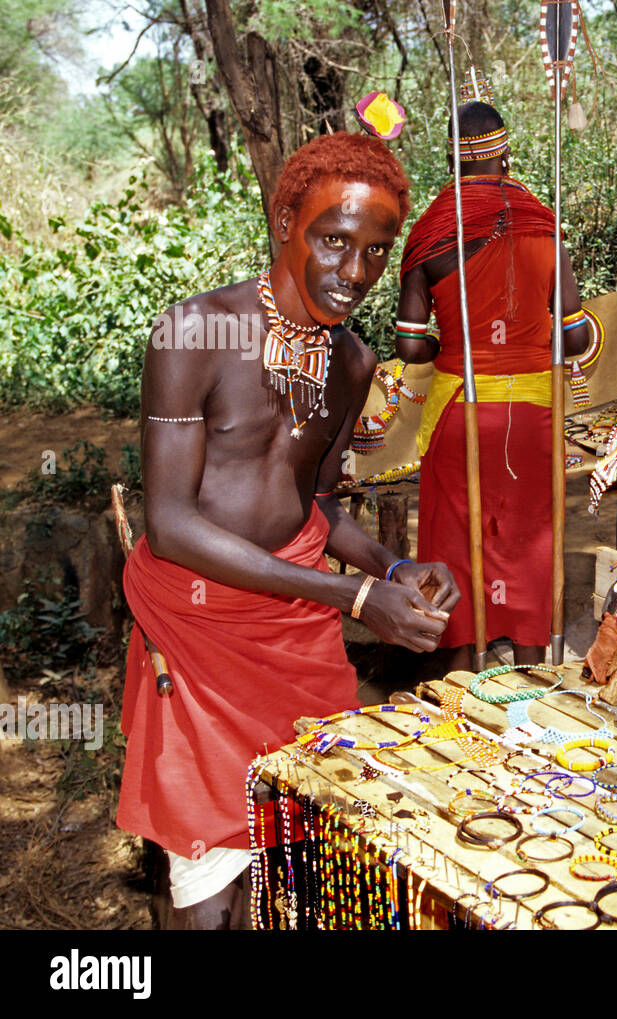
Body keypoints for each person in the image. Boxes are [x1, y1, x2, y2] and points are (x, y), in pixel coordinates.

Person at [117, 131, 459, 929]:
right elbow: (169, 523)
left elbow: (316, 504)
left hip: (292, 637)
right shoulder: (193, 333)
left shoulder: (352, 363)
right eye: (334, 241)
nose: (355, 273)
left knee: (287, 864)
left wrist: (390, 562)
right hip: (197, 627)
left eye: (376, 252)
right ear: (284, 223)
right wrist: (352, 594)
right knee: (205, 880)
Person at [396, 101, 587, 671]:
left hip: (457, 407)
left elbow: (410, 344)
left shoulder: (432, 232)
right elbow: (573, 339)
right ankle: (534, 667)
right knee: (529, 537)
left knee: (454, 540)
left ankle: (454, 680)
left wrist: (450, 349)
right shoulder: (542, 226)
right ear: (504, 152)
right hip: (529, 414)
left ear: (453, 161)